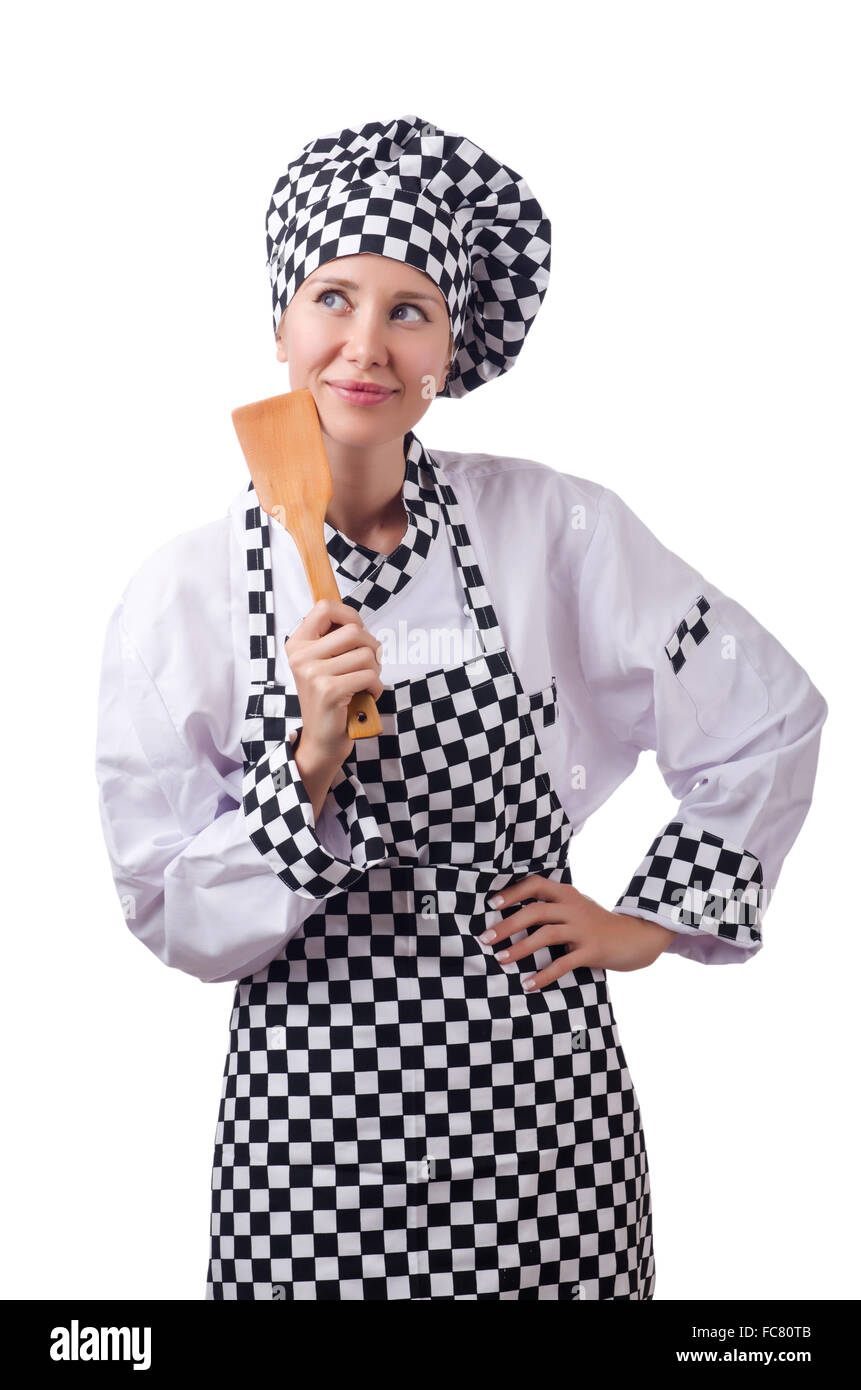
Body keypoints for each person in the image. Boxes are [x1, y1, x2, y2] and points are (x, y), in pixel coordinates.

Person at [94, 114, 828, 1301]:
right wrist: (310, 761)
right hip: (311, 1137)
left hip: (542, 1120)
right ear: (280, 322)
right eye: (332, 297)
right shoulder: (180, 597)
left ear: (450, 351)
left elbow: (766, 712)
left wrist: (650, 920)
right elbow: (166, 905)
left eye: (408, 310)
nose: (364, 344)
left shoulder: (553, 530)